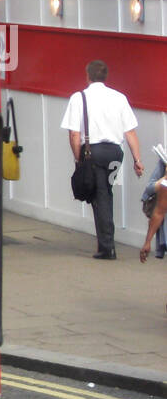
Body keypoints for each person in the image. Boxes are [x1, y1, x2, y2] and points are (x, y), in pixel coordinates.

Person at [61, 59, 143, 259]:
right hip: (115, 154)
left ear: (87, 76)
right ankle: (106, 242)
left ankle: (107, 248)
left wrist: (78, 160)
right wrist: (137, 160)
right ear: (106, 77)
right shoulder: (119, 98)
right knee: (106, 191)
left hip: (93, 154)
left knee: (100, 196)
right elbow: (130, 132)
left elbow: (74, 134)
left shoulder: (78, 98)